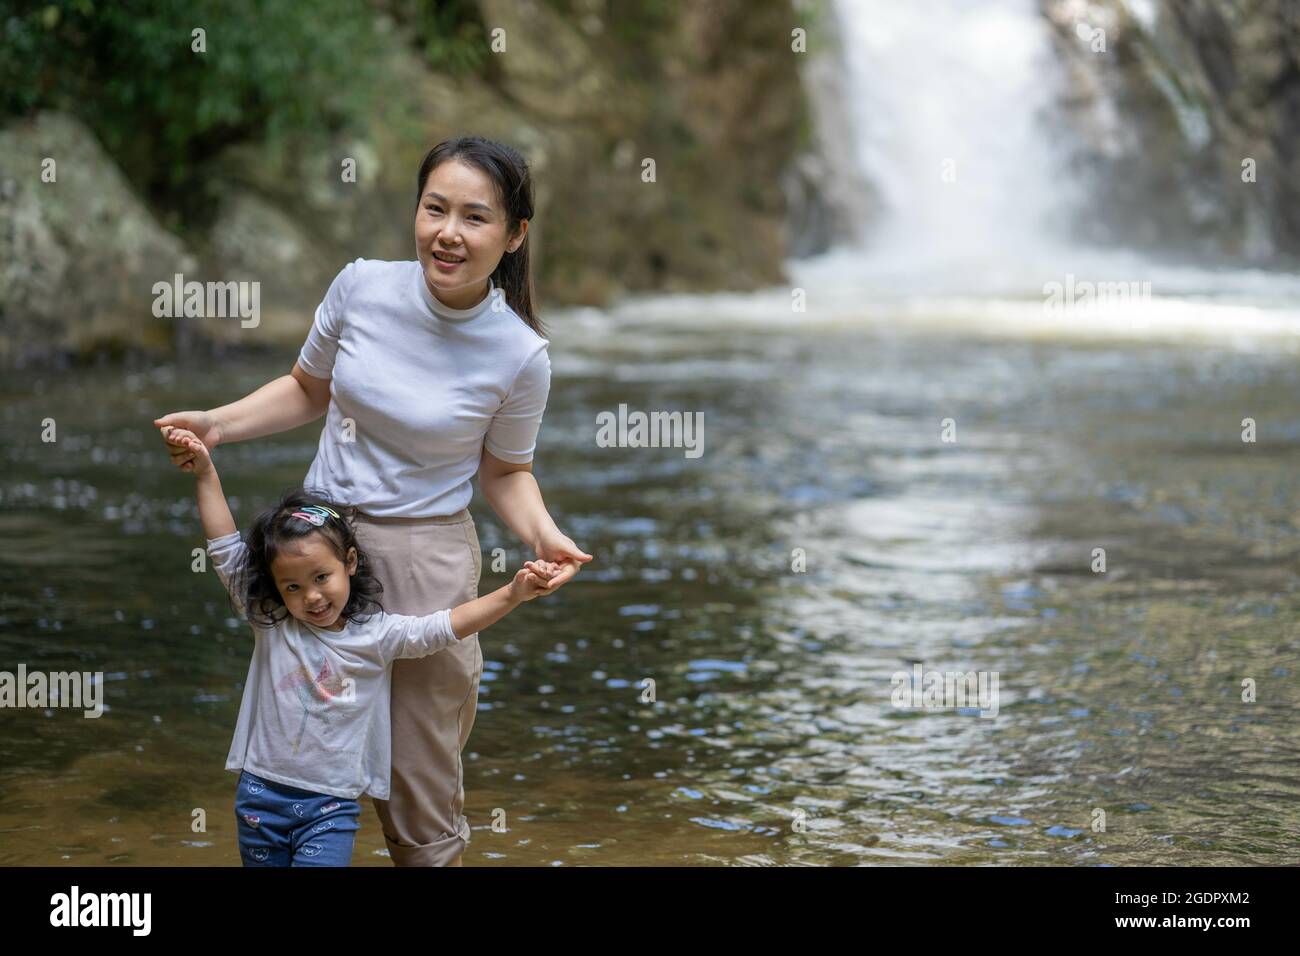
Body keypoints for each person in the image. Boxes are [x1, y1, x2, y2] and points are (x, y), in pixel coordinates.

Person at [153, 135, 592, 866]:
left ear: (515, 235)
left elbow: (506, 472)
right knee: (299, 752)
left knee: (416, 779)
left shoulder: (519, 354)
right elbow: (306, 389)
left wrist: (543, 534)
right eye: (435, 209)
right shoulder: (361, 286)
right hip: (319, 549)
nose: (448, 233)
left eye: (475, 218)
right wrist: (217, 425)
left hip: (426, 558)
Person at [167, 428, 560, 866]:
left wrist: (513, 593)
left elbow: (446, 626)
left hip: (330, 808)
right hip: (259, 797)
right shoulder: (273, 622)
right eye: (292, 586)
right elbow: (223, 547)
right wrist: (204, 471)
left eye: (321, 578)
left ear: (350, 563)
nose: (312, 597)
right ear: (276, 588)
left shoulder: (376, 635)